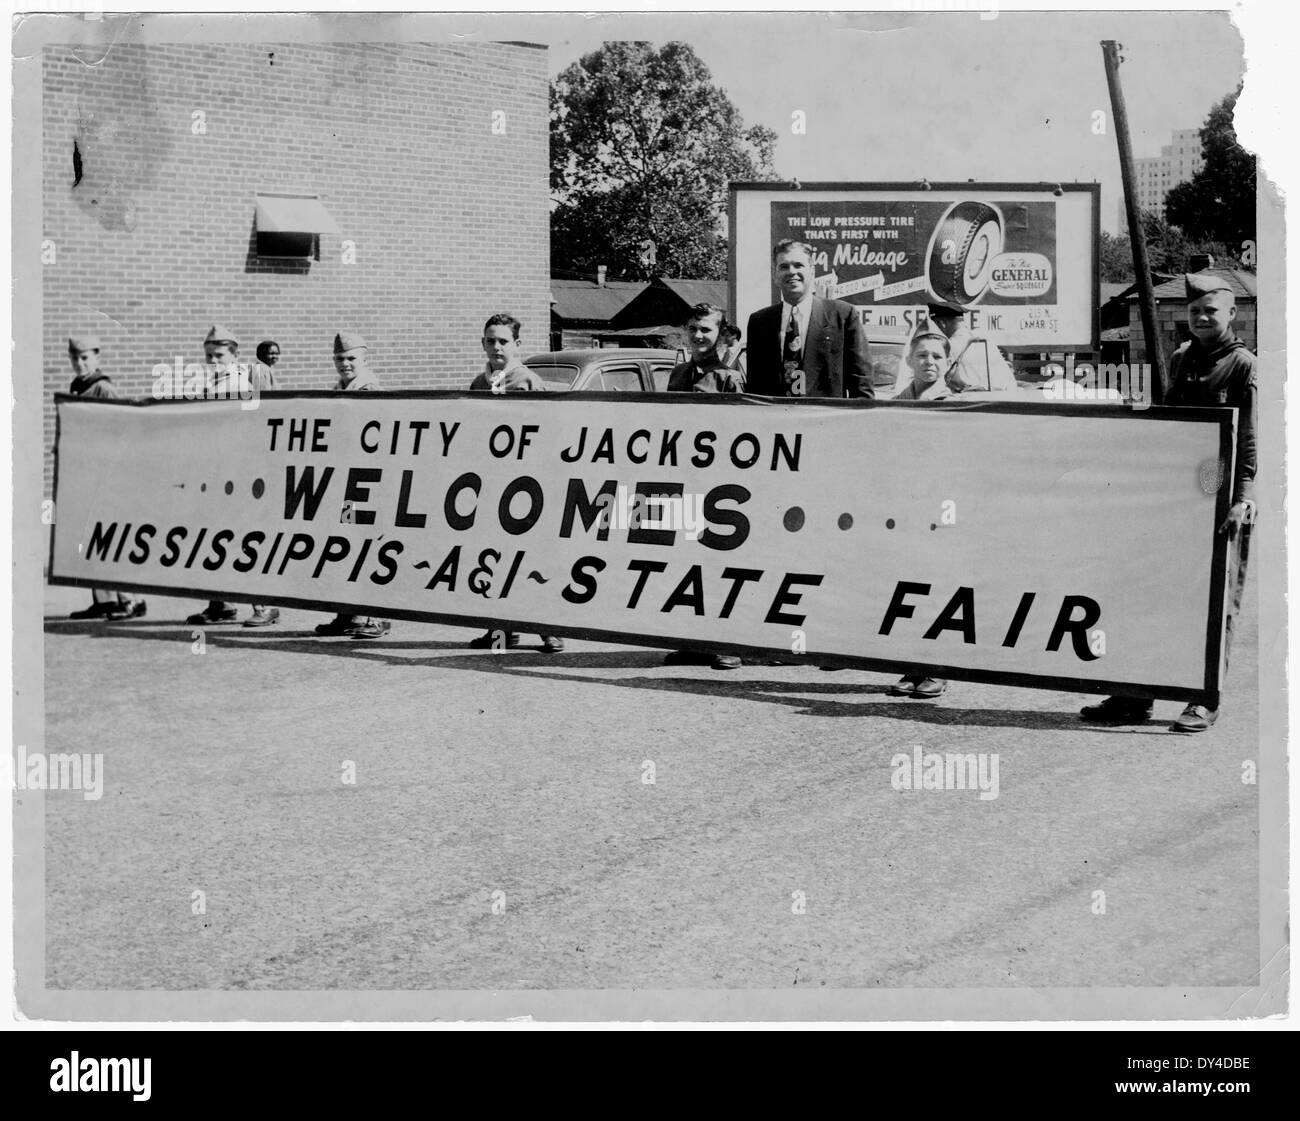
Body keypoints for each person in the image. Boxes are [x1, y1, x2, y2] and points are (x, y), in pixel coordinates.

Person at [1079, 273, 1256, 733]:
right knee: (1154, 593)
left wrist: (1243, 499)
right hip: (1178, 497)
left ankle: (1204, 697)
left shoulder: (1244, 366)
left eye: (1210, 311)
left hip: (1220, 499)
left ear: (1231, 314)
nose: (1200, 318)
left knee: (1215, 602)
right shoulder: (1180, 358)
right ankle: (1137, 693)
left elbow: (1252, 441)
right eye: (1195, 311)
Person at [466, 314, 562, 653]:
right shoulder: (479, 383)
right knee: (493, 557)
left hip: (526, 486)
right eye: (490, 340)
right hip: (492, 485)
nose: (496, 347)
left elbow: (550, 434)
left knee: (530, 558)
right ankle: (500, 630)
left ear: (517, 345)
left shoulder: (528, 382)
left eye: (503, 341)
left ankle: (548, 628)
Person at [664, 304, 744, 670]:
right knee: (688, 561)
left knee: (722, 562)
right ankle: (693, 641)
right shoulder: (678, 374)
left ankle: (729, 643)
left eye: (707, 330)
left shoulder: (729, 377)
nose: (699, 336)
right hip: (685, 480)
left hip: (721, 486)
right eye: (694, 329)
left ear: (720, 334)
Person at [186, 325, 280, 628]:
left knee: (246, 538)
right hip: (215, 471)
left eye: (220, 355)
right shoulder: (211, 382)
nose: (214, 360)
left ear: (235, 354)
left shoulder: (239, 383)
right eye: (209, 355)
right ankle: (221, 604)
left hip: (241, 473)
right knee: (213, 538)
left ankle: (265, 604)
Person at [64, 333, 147, 621]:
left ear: (97, 358)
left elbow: (124, 429)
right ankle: (104, 599)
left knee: (112, 539)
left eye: (85, 358)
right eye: (75, 358)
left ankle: (132, 599)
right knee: (90, 539)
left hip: (107, 475)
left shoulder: (103, 388)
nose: (79, 363)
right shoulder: (78, 387)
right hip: (86, 473)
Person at [315, 333, 390, 639]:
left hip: (366, 480)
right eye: (339, 359)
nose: (344, 364)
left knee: (366, 547)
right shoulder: (338, 390)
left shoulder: (370, 389)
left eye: (351, 359)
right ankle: (348, 613)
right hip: (343, 480)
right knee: (343, 546)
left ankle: (376, 617)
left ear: (364, 359)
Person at [744, 239, 873, 399]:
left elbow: (861, 386)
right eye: (784, 266)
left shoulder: (843, 315)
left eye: (798, 265)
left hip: (826, 421)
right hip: (776, 420)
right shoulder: (759, 322)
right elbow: (754, 388)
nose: (791, 271)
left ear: (812, 271)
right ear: (775, 274)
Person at [921, 302, 1018, 392]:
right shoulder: (983, 337)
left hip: (976, 401)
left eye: (935, 326)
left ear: (942, 324)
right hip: (1009, 396)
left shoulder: (947, 347)